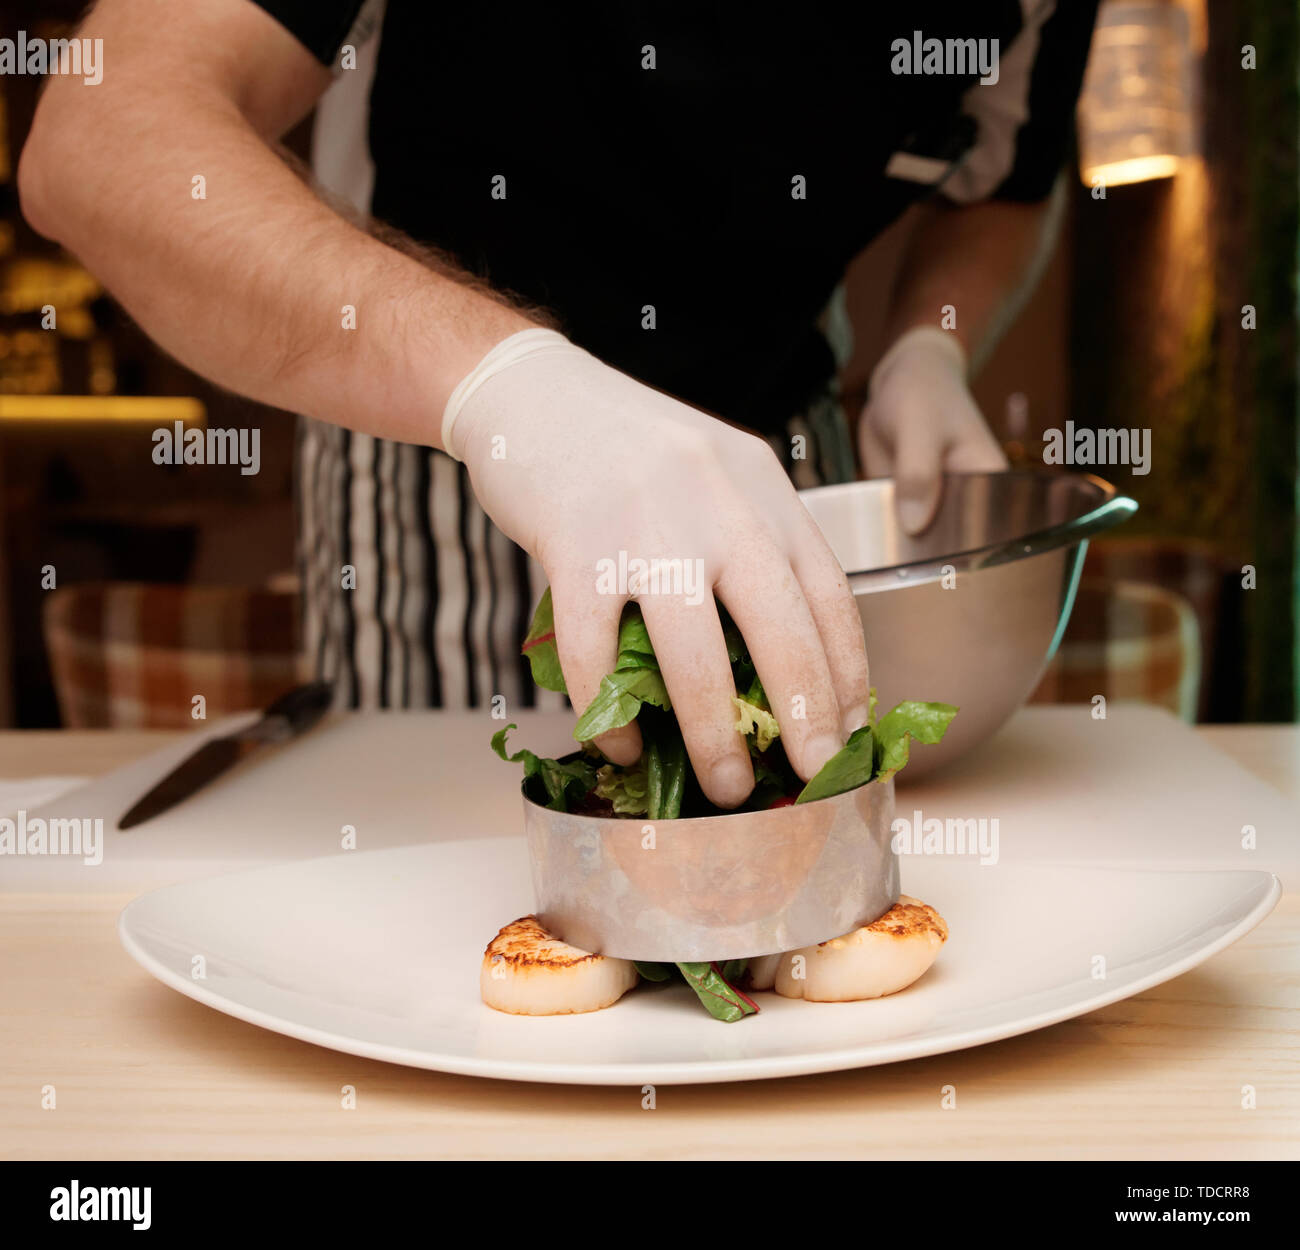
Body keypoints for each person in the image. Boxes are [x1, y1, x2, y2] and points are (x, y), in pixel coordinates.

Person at [19, 0, 1098, 807]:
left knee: (802, 835)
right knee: (461, 872)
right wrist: (513, 390)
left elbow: (1005, 181)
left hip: (787, 452)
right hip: (446, 446)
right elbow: (104, 136)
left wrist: (930, 345)